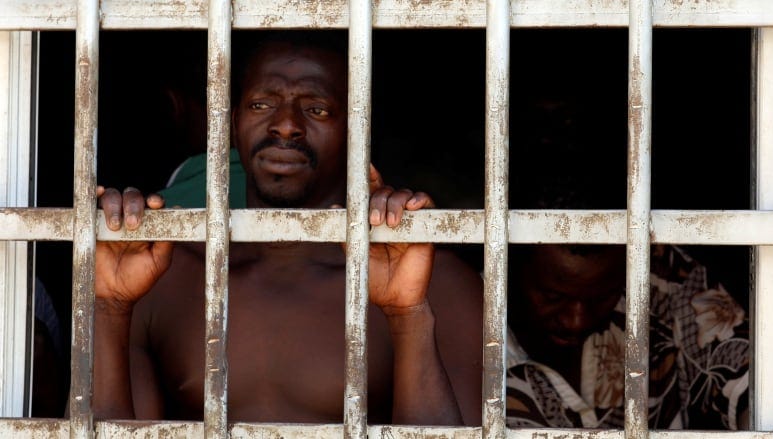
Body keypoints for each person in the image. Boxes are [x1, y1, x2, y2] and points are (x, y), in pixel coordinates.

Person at [92, 31, 484, 425]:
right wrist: (109, 307)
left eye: (316, 109)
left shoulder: (436, 281)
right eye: (261, 104)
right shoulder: (165, 277)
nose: (284, 125)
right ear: (232, 123)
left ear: (357, 130)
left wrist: (407, 313)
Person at [504, 99, 749, 430]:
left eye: (602, 295)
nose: (576, 320)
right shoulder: (465, 318)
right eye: (552, 297)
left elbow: (750, 380)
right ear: (510, 259)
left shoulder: (664, 279)